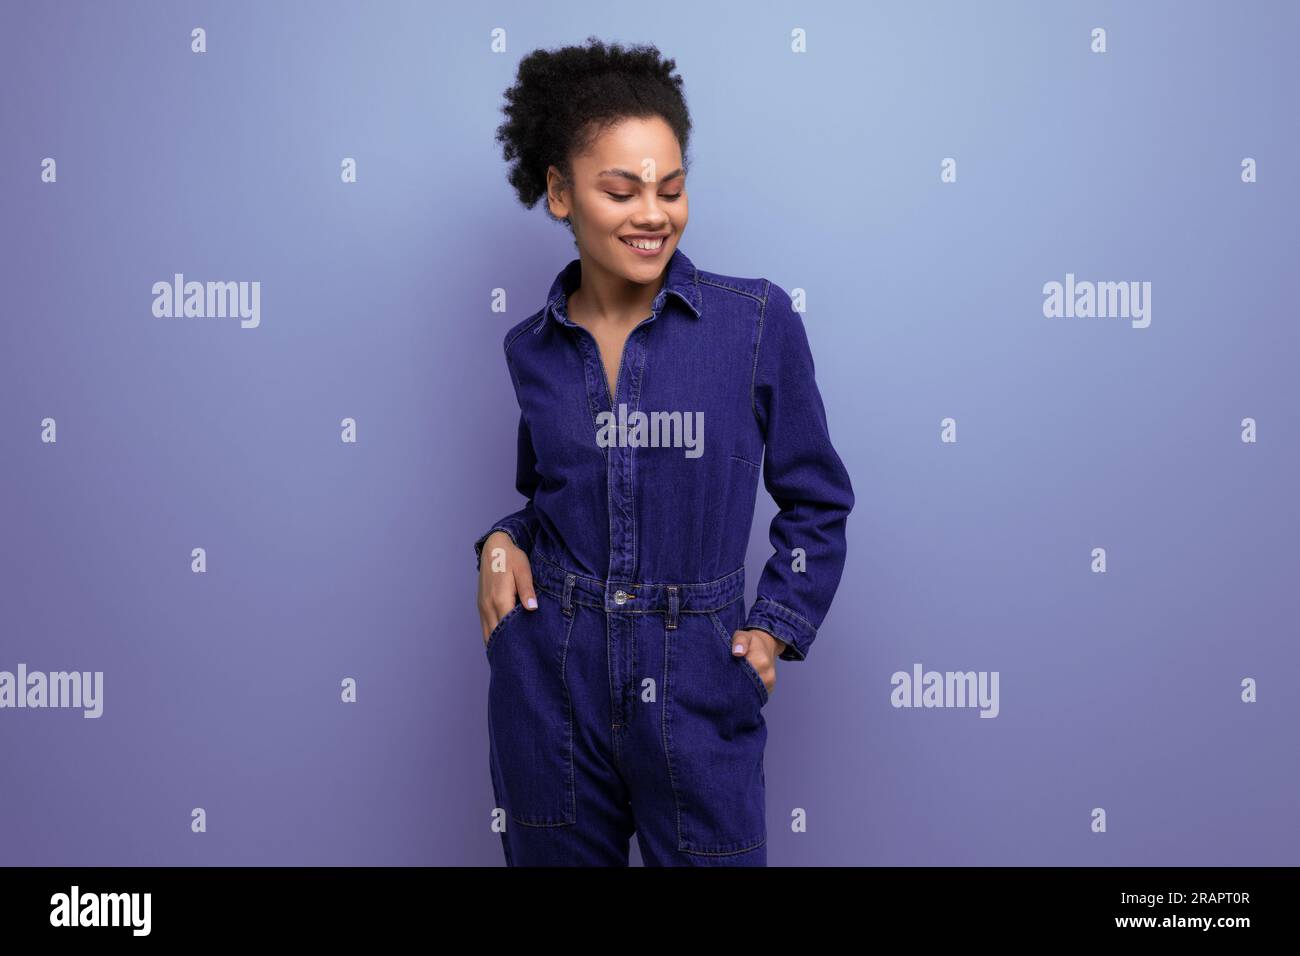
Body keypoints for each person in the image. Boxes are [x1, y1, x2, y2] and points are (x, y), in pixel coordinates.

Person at [474, 36, 855, 866]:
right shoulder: (530, 349)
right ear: (559, 193)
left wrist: (773, 627)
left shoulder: (754, 322)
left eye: (671, 188)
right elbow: (558, 504)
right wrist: (502, 542)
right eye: (622, 189)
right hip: (550, 683)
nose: (653, 213)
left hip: (696, 677)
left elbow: (817, 498)